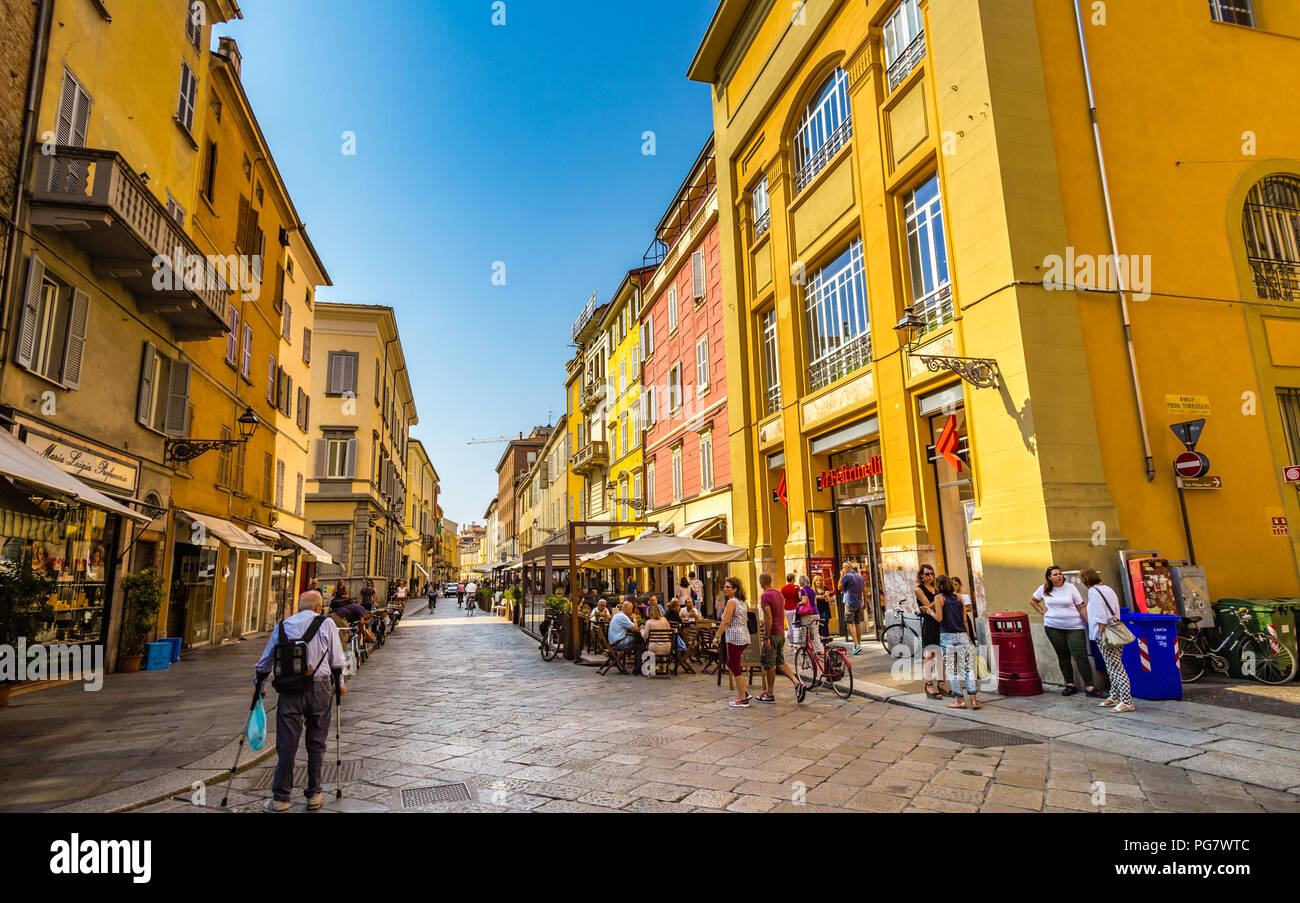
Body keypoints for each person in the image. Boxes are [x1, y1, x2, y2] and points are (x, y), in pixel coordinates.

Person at [254, 590, 346, 812]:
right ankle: (314, 794)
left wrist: (260, 687)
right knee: (317, 743)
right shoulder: (327, 624)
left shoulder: (283, 626)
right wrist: (340, 684)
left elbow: (264, 663)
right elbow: (337, 660)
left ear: (299, 607)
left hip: (290, 689)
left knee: (286, 744)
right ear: (318, 608)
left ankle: (280, 799)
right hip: (320, 688)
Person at [1030, 565, 1101, 698]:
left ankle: (1090, 687)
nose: (1059, 576)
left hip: (1074, 627)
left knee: (1080, 655)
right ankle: (1070, 685)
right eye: (1055, 574)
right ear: (1049, 577)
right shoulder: (1044, 589)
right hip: (1053, 627)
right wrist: (1042, 611)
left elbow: (1080, 606)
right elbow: (1032, 600)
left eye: (1060, 574)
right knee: (1063, 656)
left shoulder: (1071, 588)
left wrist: (1090, 623)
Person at [1083, 568, 1134, 713]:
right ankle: (1114, 696)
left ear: (1086, 580)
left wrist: (1100, 633)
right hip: (1115, 630)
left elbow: (1100, 615)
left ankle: (1127, 701)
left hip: (1105, 634)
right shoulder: (1108, 589)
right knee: (1112, 666)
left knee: (1116, 667)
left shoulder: (1093, 592)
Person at [757, 573, 806, 704]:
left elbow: (768, 617)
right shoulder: (779, 593)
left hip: (772, 634)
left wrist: (767, 637)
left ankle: (770, 694)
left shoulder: (765, 596)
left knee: (770, 665)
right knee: (780, 662)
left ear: (762, 582)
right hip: (780, 633)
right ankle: (797, 683)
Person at [935, 575, 980, 710]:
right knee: (968, 669)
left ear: (937, 586)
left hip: (947, 637)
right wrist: (969, 637)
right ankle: (974, 701)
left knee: (952, 670)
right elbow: (965, 620)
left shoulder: (939, 598)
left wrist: (930, 611)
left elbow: (939, 618)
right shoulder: (959, 597)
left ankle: (960, 701)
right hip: (962, 636)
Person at [713, 576, 752, 707]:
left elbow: (725, 621)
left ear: (735, 589)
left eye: (728, 587)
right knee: (731, 663)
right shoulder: (743, 602)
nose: (725, 589)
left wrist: (717, 636)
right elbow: (746, 618)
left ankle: (743, 698)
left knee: (735, 665)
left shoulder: (732, 602)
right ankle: (744, 692)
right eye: (724, 587)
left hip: (735, 638)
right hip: (744, 636)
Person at [915, 564, 951, 699]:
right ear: (922, 576)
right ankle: (929, 684)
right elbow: (927, 606)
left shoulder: (937, 588)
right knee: (930, 655)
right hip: (930, 623)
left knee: (942, 655)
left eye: (932, 574)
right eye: (927, 574)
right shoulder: (919, 589)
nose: (930, 576)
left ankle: (942, 683)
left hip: (940, 622)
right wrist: (938, 600)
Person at [838, 562, 865, 655]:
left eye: (843, 567)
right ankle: (858, 644)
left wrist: (841, 575)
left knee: (850, 623)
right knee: (857, 623)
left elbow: (839, 587)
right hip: (858, 602)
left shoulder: (847, 576)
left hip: (850, 602)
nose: (843, 569)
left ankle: (856, 645)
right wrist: (864, 601)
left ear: (848, 567)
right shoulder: (860, 576)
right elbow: (864, 590)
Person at [608, 600, 645, 667]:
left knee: (638, 640)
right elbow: (635, 629)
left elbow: (631, 628)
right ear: (627, 609)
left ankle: (637, 665)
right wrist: (634, 619)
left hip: (613, 642)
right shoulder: (623, 616)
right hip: (618, 643)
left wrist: (637, 628)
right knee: (640, 642)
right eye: (631, 609)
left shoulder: (617, 615)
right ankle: (638, 666)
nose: (631, 611)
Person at [640, 602, 674, 667]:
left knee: (642, 646)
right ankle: (662, 666)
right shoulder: (664, 620)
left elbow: (645, 636)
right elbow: (669, 632)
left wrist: (641, 630)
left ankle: (649, 665)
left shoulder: (649, 622)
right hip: (666, 648)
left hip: (653, 648)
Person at [796, 574, 822, 655]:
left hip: (807, 614)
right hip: (815, 613)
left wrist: (799, 604)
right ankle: (820, 649)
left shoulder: (803, 590)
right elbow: (815, 603)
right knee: (815, 633)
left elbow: (804, 601)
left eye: (799, 581)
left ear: (802, 582)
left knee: (805, 632)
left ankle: (806, 650)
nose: (799, 582)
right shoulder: (812, 590)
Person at [812, 575, 832, 641]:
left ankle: (825, 640)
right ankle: (819, 639)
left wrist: (827, 596)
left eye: (820, 580)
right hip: (817, 609)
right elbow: (812, 598)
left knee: (825, 623)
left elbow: (828, 600)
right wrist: (819, 597)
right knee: (818, 624)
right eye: (817, 580)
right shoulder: (813, 590)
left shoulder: (825, 588)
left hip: (825, 609)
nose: (818, 582)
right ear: (814, 582)